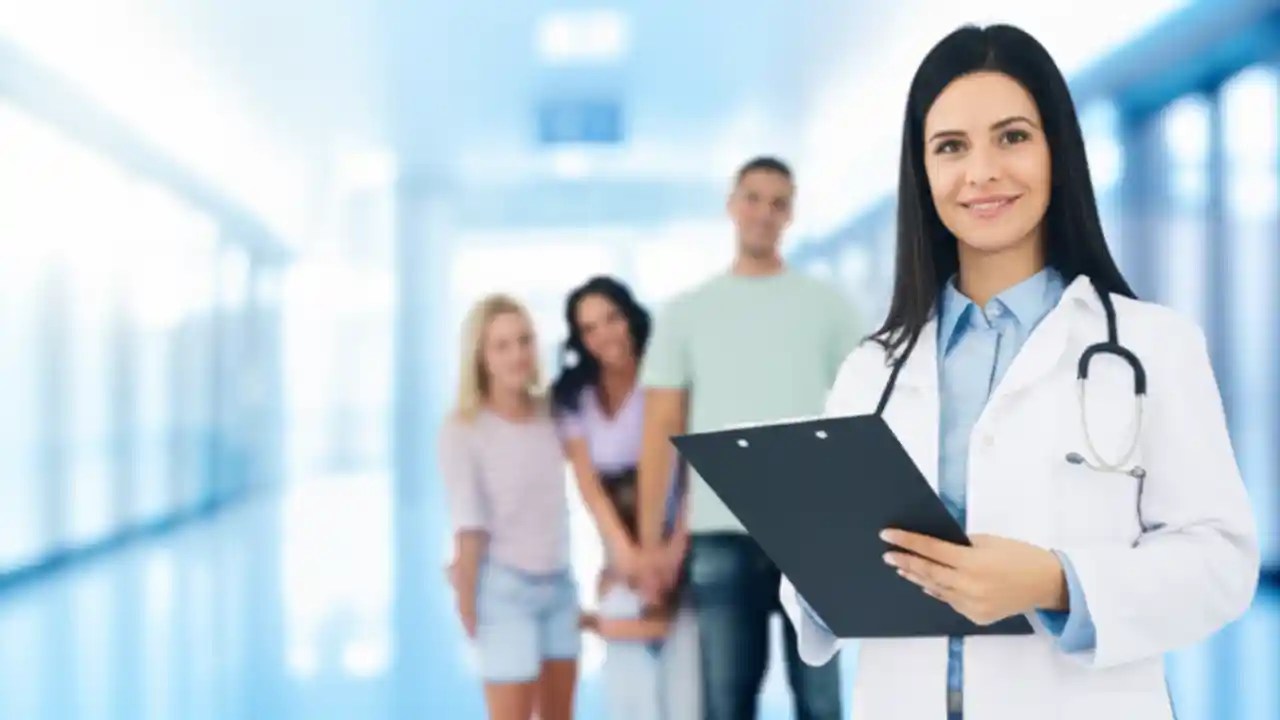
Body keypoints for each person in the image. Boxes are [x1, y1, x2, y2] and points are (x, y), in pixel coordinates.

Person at [779, 24, 1259, 720]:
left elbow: (1219, 563)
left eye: (1011, 137)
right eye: (950, 147)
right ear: (922, 173)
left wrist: (1056, 581)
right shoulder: (872, 368)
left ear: (1057, 151)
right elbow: (819, 575)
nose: (981, 172)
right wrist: (814, 574)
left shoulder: (1154, 347)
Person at [635, 156, 862, 720]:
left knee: (821, 705)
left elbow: (861, 417)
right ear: (732, 205)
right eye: (753, 198)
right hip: (719, 534)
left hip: (813, 534)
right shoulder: (685, 313)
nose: (764, 212)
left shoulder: (828, 308)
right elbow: (659, 429)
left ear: (791, 215)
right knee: (726, 704)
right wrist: (648, 546)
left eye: (778, 202)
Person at [550, 275, 700, 720]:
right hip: (625, 554)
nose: (604, 335)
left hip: (681, 546)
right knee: (629, 689)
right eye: (589, 328)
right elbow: (590, 489)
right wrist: (629, 559)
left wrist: (673, 551)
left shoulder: (668, 377)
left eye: (610, 319)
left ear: (629, 316)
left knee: (686, 693)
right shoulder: (574, 397)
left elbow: (693, 475)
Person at [439, 293, 579, 720]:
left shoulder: (551, 413)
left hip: (559, 588)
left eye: (524, 341)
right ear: (481, 357)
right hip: (505, 594)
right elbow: (468, 520)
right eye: (502, 345)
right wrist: (466, 597)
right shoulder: (463, 428)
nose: (518, 354)